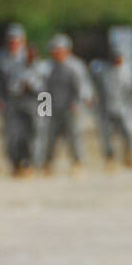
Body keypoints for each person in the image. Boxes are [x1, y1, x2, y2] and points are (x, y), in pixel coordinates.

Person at [38, 34, 94, 175]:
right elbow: (43, 88)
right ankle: (47, 163)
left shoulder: (75, 66)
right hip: (51, 107)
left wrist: (77, 103)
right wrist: (43, 109)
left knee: (74, 136)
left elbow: (82, 88)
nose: (56, 53)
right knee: (49, 136)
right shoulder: (47, 67)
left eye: (59, 50)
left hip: (71, 107)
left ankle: (78, 163)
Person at [0, 23, 40, 177]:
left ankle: (28, 163)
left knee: (31, 133)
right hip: (10, 100)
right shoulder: (1, 58)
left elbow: (40, 80)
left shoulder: (31, 56)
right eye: (11, 40)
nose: (14, 43)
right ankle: (15, 164)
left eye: (17, 40)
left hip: (29, 99)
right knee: (12, 135)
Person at [93, 40, 132, 169]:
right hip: (106, 108)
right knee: (107, 136)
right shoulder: (102, 72)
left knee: (130, 132)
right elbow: (97, 90)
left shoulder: (128, 72)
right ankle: (110, 159)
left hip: (125, 108)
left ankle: (129, 156)